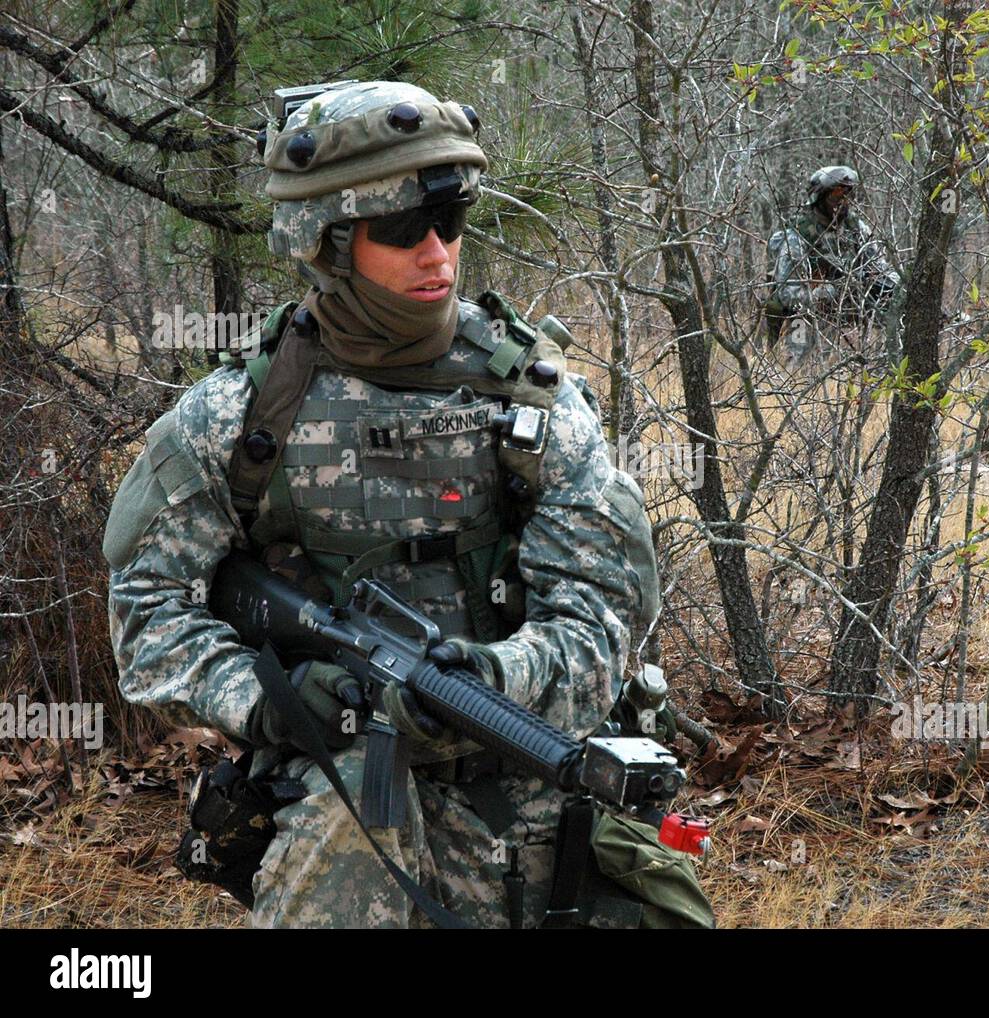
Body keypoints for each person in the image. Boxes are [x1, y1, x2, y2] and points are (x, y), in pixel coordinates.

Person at [102, 80, 712, 929]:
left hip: (526, 787)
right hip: (342, 798)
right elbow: (147, 615)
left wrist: (494, 677)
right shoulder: (238, 416)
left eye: (451, 224)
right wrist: (272, 699)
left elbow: (601, 618)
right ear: (325, 243)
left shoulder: (535, 406)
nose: (438, 254)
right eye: (401, 231)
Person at [765, 165, 900, 364]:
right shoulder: (798, 237)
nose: (843, 202)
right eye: (837, 196)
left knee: (897, 314)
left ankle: (887, 372)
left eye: (847, 195)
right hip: (805, 311)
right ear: (821, 198)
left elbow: (880, 266)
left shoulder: (856, 229)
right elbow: (788, 295)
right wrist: (829, 291)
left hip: (849, 303)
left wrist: (900, 288)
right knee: (796, 366)